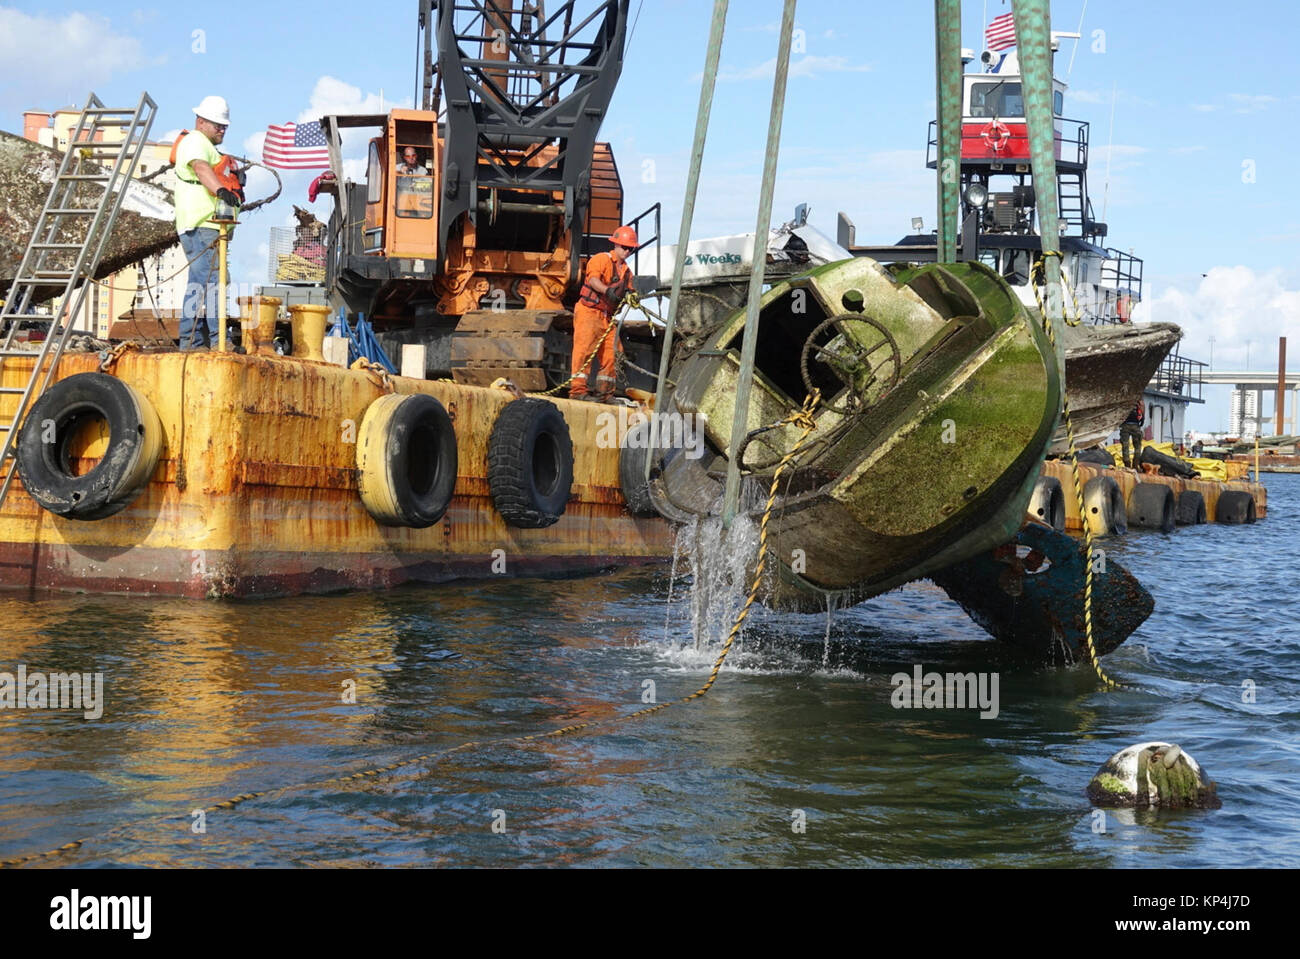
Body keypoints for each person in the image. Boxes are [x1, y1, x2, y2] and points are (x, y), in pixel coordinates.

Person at [175, 95, 242, 350]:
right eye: (218, 125)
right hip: (203, 224)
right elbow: (201, 169)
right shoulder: (195, 141)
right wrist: (221, 191)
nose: (222, 129)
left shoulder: (206, 144)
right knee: (213, 282)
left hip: (206, 226)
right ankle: (216, 341)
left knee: (201, 283)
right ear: (201, 122)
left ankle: (192, 340)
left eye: (225, 126)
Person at [570, 225, 636, 401]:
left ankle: (605, 394)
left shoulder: (627, 272)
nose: (628, 251)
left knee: (613, 352)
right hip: (589, 312)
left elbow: (632, 290)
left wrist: (633, 296)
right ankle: (577, 392)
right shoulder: (601, 259)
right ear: (616, 245)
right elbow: (592, 280)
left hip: (607, 317)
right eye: (625, 247)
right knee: (584, 351)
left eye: (631, 248)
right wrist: (608, 291)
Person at [1120, 400, 1145, 468]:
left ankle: (1127, 465)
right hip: (1135, 426)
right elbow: (1142, 408)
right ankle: (1135, 465)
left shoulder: (1124, 401)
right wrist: (1143, 420)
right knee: (1137, 446)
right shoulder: (1139, 401)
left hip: (1125, 426)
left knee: (1125, 446)